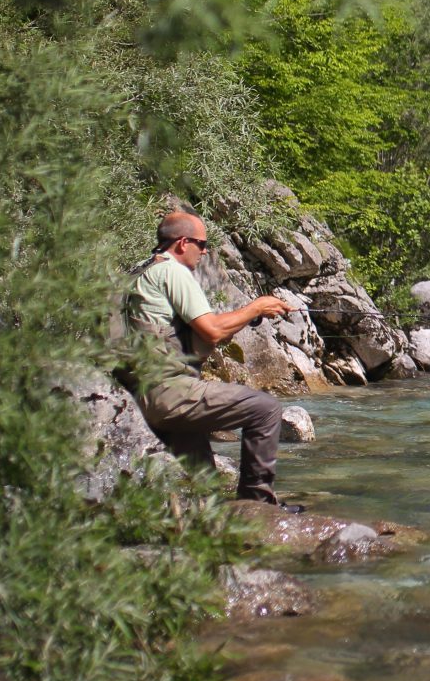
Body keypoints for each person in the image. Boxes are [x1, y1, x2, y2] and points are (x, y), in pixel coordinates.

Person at [122, 210, 302, 510]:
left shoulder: (142, 270)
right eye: (202, 244)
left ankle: (201, 523)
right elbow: (213, 331)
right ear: (182, 243)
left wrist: (248, 317)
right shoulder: (173, 272)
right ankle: (256, 507)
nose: (205, 251)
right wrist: (257, 307)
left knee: (205, 495)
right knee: (266, 409)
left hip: (140, 392)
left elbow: (194, 335)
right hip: (169, 392)